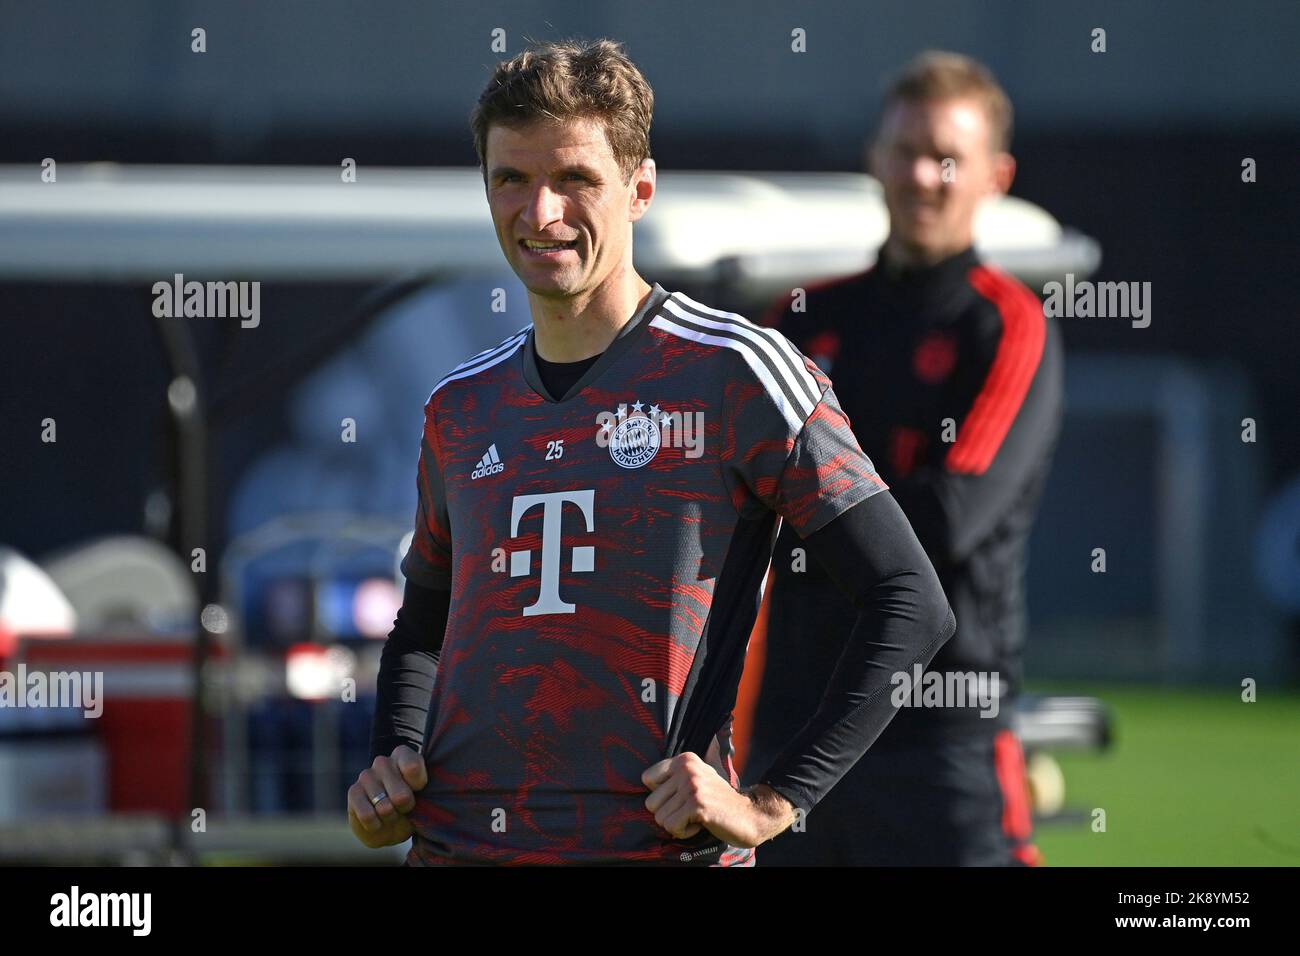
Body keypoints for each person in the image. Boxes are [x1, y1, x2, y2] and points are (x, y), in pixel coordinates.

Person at [347, 38, 954, 866]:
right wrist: (393, 763)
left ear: (641, 189)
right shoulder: (461, 406)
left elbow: (910, 600)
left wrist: (774, 802)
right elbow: (423, 624)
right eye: (512, 180)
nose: (541, 214)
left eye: (575, 181)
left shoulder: (738, 372)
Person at [745, 51, 1064, 866]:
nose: (924, 175)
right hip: (797, 726)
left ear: (996, 175)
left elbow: (953, 519)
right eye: (906, 151)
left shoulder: (1008, 327)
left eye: (947, 157)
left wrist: (803, 511)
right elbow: (737, 498)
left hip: (940, 729)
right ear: (875, 161)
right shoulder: (802, 315)